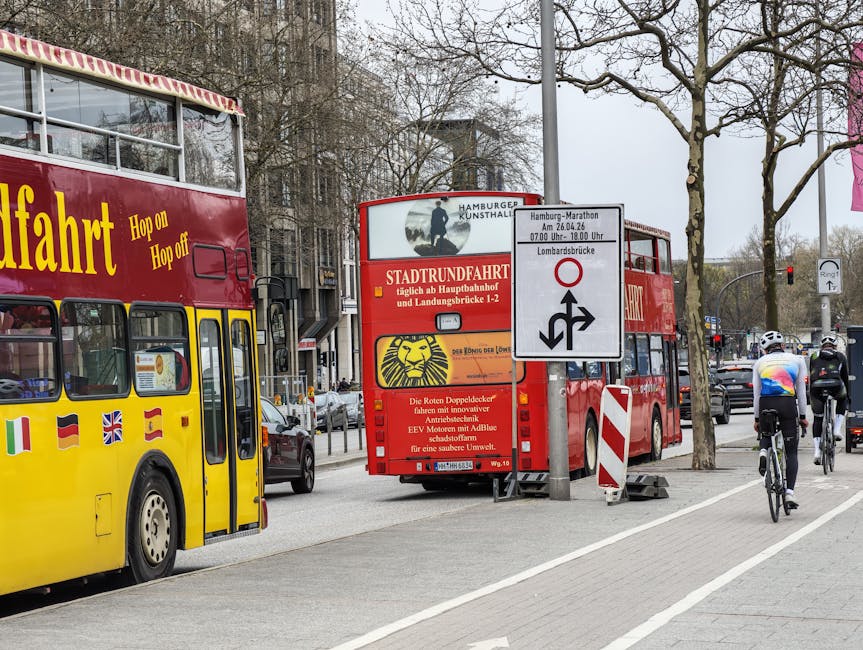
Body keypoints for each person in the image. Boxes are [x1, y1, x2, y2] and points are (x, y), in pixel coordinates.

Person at [752, 330, 808, 509]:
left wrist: (756, 418)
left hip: (766, 403)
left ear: (764, 349)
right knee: (791, 452)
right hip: (787, 404)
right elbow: (801, 392)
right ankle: (789, 493)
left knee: (766, 431)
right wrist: (803, 416)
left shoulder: (759, 363)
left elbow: (756, 394)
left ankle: (763, 451)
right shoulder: (797, 360)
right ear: (783, 345)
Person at [809, 332, 849, 463]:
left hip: (816, 388)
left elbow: (811, 375)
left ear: (822, 346)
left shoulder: (814, 356)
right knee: (843, 399)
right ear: (835, 346)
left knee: (818, 418)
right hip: (836, 386)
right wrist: (848, 394)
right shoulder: (841, 356)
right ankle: (837, 429)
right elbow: (845, 377)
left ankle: (816, 451)